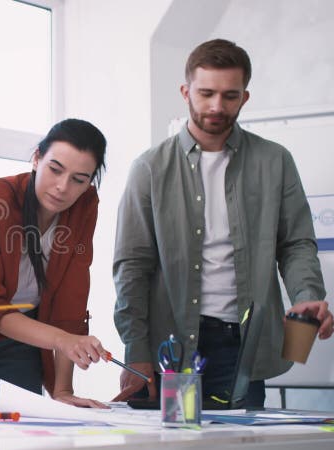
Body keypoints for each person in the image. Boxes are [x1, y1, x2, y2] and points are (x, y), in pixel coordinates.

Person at [112, 39, 332, 407]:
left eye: (230, 95)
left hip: (244, 345)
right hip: (172, 347)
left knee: (241, 437)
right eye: (206, 93)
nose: (217, 106)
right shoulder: (150, 168)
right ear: (186, 92)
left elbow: (296, 244)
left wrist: (307, 296)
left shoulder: (274, 161)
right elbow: (132, 266)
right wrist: (136, 349)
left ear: (244, 97)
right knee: (173, 438)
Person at [0, 119, 110, 408]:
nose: (63, 187)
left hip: (18, 333)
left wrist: (63, 390)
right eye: (55, 169)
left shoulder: (84, 205)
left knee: (24, 422)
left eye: (79, 179)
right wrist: (62, 340)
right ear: (37, 158)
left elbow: (71, 301)